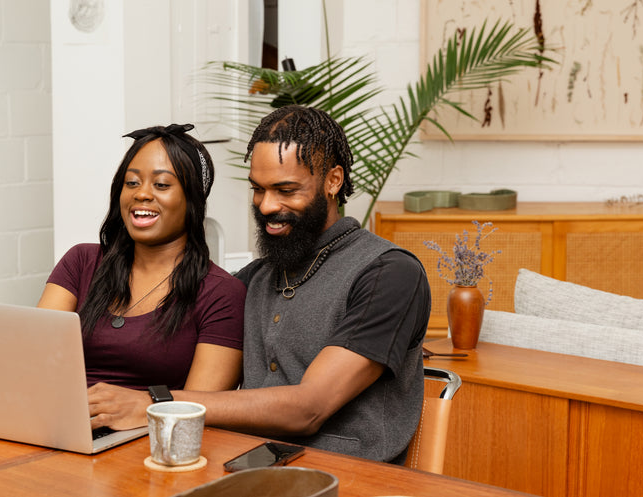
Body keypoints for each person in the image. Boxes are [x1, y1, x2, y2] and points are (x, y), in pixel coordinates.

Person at [88, 107, 430, 464]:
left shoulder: (388, 274)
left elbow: (308, 408)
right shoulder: (252, 280)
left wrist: (152, 402)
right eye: (258, 189)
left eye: (285, 190)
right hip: (246, 468)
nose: (266, 206)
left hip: (350, 478)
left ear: (333, 181)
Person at [37, 124, 245, 394]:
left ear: (192, 199)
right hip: (63, 421)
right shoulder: (81, 262)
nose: (142, 194)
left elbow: (198, 411)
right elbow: (36, 358)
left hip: (153, 432)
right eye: (132, 182)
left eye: (161, 184)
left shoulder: (221, 293)